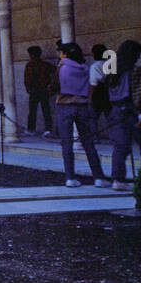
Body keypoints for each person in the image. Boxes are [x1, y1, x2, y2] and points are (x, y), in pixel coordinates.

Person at [54, 41, 108, 189]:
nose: (60, 55)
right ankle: (98, 177)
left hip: (64, 105)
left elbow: (54, 85)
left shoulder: (62, 67)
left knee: (67, 144)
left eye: (61, 52)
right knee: (88, 143)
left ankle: (70, 177)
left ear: (65, 54)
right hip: (83, 105)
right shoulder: (85, 68)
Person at [104, 40, 141, 191]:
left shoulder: (112, 70)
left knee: (120, 146)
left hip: (115, 110)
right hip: (131, 110)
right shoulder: (135, 70)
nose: (139, 57)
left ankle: (117, 179)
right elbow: (138, 94)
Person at [24, 45, 55, 137]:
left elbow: (27, 79)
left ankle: (31, 129)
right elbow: (55, 72)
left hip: (34, 90)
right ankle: (48, 129)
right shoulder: (45, 64)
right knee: (46, 110)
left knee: (32, 110)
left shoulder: (30, 65)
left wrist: (28, 88)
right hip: (43, 89)